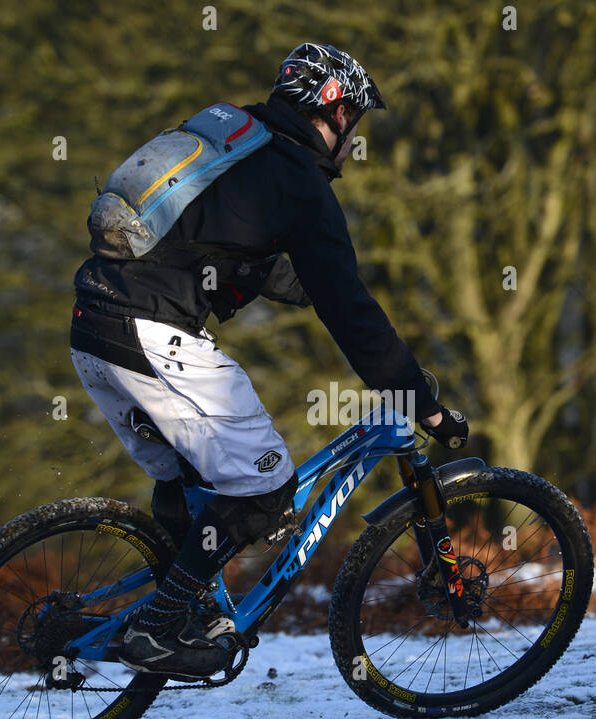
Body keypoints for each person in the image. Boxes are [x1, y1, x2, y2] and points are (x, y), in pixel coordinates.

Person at [69, 42, 468, 680]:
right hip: (151, 337)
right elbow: (352, 316)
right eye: (355, 124)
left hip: (94, 329)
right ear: (334, 112)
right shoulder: (300, 184)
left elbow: (235, 253)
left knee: (188, 483)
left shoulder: (238, 142)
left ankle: (178, 611)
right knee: (267, 488)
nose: (353, 142)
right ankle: (157, 628)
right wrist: (421, 401)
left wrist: (326, 287)